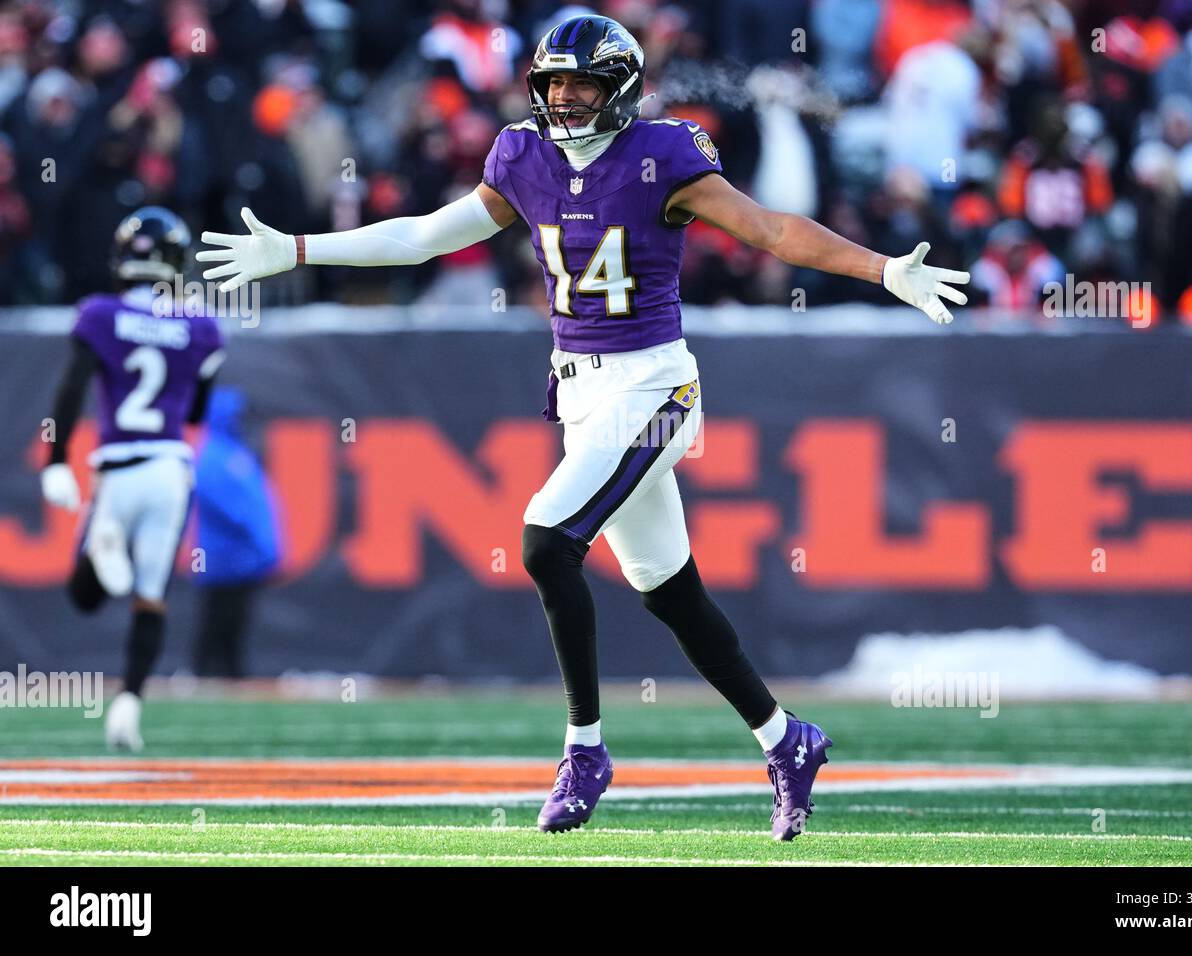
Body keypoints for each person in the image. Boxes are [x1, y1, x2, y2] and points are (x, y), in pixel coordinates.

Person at [196, 14, 969, 840]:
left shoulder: (662, 157)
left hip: (656, 389)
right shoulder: (521, 158)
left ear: (621, 92)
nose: (564, 99)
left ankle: (585, 749)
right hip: (583, 400)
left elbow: (774, 229)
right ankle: (787, 739)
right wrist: (302, 249)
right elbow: (423, 237)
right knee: (671, 594)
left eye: (582, 86)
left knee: (543, 538)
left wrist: (884, 268)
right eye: (554, 84)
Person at [41, 206, 224, 751]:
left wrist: (55, 459)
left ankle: (104, 543)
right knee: (150, 598)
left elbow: (72, 390)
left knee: (85, 595)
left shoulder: (100, 315)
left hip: (118, 468)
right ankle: (129, 707)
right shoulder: (201, 328)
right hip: (169, 470)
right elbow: (194, 414)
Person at [192, 387, 282, 678]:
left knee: (235, 626)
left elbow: (258, 504)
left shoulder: (235, 453)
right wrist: (259, 539)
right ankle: (206, 677)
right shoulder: (213, 456)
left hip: (244, 560)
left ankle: (229, 678)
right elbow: (233, 508)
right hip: (222, 558)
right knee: (218, 622)